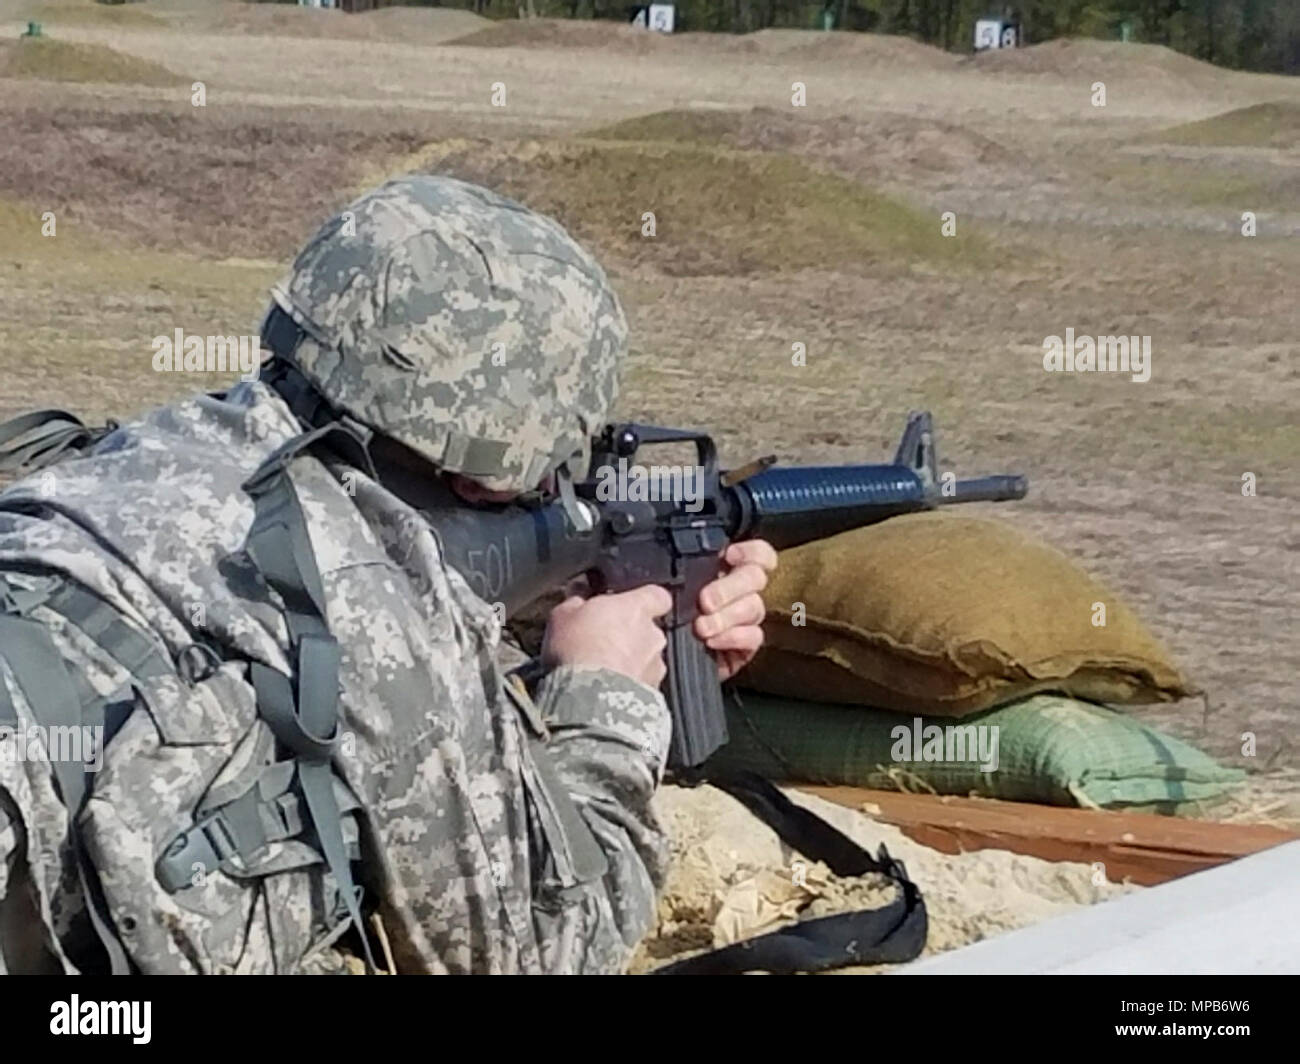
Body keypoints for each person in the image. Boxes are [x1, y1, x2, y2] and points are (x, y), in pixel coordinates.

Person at [0, 175, 775, 974]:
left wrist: (511, 642)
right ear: (494, 471)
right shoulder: (372, 597)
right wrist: (604, 694)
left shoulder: (148, 451)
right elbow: (544, 946)